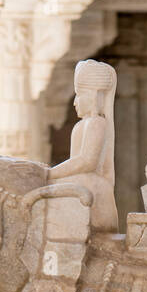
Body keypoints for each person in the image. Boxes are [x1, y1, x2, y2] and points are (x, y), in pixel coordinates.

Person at [48, 59, 117, 232]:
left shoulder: (97, 123)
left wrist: (50, 173)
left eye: (79, 95)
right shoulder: (81, 126)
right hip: (82, 180)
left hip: (93, 186)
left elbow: (87, 162)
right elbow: (75, 162)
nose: (75, 102)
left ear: (93, 95)